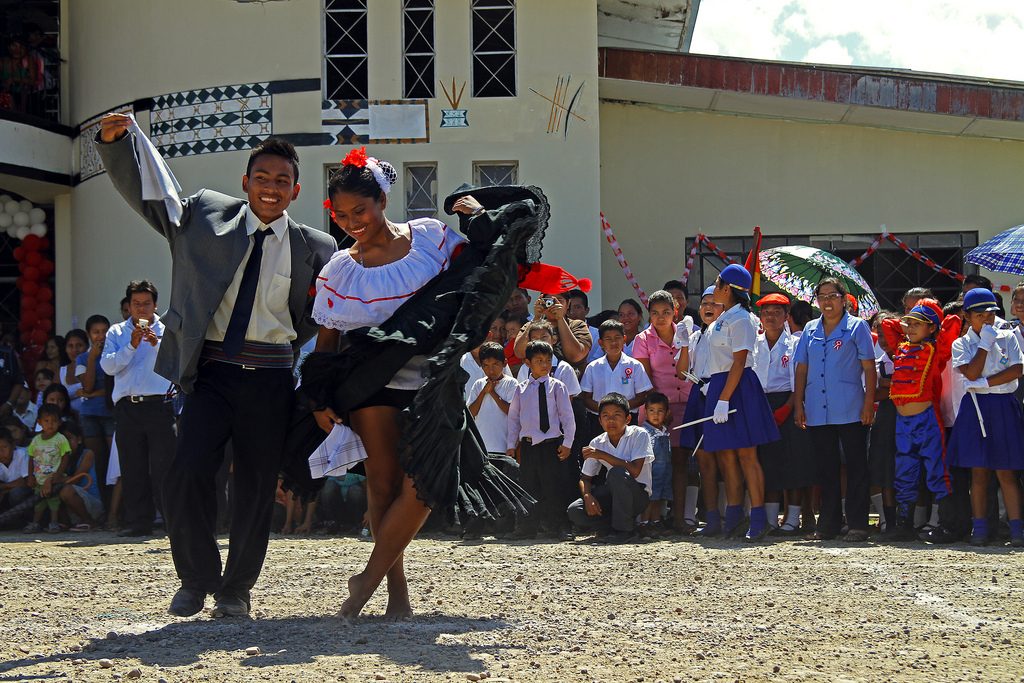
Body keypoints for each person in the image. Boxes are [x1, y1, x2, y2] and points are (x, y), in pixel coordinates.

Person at [98, 113, 337, 618]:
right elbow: (154, 196)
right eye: (262, 178)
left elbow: (319, 317)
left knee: (255, 487)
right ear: (245, 182)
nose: (271, 188)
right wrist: (116, 145)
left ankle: (236, 590)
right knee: (186, 472)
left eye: (282, 181)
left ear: (295, 191)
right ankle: (195, 579)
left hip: (272, 379)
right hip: (210, 375)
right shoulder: (206, 215)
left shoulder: (318, 248)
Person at [300, 152, 552, 618]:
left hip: (434, 379)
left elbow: (479, 264)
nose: (352, 222)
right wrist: (317, 398)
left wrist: (477, 216)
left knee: (427, 483)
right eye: (342, 214)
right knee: (382, 484)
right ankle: (396, 593)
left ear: (382, 200)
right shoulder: (338, 270)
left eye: (361, 210)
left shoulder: (430, 237)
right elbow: (328, 341)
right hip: (369, 384)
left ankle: (366, 578)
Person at [694, 265, 779, 541]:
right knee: (726, 454)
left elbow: (740, 361)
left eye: (718, 283)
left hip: (738, 387)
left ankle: (758, 519)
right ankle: (733, 517)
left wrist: (724, 398)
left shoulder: (741, 318)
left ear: (728, 289)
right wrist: (712, 387)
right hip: (721, 384)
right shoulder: (724, 317)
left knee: (746, 455)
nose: (715, 287)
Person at [794, 277, 877, 542]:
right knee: (826, 468)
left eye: (832, 296)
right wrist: (798, 404)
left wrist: (868, 403)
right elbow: (801, 368)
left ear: (843, 299)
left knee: (856, 467)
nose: (827, 302)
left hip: (851, 407)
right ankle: (828, 524)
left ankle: (858, 523)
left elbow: (869, 368)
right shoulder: (810, 329)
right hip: (817, 409)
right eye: (822, 297)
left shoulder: (857, 327)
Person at [877, 300, 960, 541]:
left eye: (918, 324)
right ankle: (904, 525)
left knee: (936, 470)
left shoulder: (936, 351)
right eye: (909, 323)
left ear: (932, 328)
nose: (911, 328)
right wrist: (912, 319)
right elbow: (888, 324)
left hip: (927, 420)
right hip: (903, 423)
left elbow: (953, 322)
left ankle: (947, 525)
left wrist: (932, 316)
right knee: (904, 472)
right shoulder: (901, 347)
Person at [947, 288, 1024, 547]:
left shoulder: (1008, 336)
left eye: (990, 314)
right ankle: (979, 529)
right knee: (978, 472)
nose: (987, 320)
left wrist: (986, 382)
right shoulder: (961, 343)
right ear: (967, 316)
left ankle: (1017, 530)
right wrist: (984, 344)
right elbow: (970, 373)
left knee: (1006, 472)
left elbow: (1017, 369)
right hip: (976, 406)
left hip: (1003, 404)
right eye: (980, 315)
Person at [101, 280, 178, 537]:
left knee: (164, 467)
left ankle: (171, 522)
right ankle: (138, 522)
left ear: (155, 305)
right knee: (132, 467)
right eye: (136, 304)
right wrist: (131, 345)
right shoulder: (117, 332)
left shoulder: (167, 331)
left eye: (146, 303)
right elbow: (108, 367)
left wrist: (157, 345)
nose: (141, 309)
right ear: (129, 306)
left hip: (160, 406)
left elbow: (177, 365)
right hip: (128, 407)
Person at [631, 289, 694, 534]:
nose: (660, 317)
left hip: (687, 404)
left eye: (666, 312)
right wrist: (659, 413)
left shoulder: (686, 333)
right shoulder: (643, 339)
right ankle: (651, 519)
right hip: (656, 410)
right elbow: (646, 378)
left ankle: (680, 517)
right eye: (655, 312)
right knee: (654, 465)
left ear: (675, 312)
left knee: (680, 462)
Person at [752, 293, 814, 535]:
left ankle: (793, 520)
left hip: (789, 401)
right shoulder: (754, 344)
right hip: (760, 404)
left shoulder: (795, 343)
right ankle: (770, 520)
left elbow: (798, 381)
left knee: (793, 461)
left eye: (777, 313)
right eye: (766, 313)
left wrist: (790, 408)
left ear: (787, 316)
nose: (771, 317)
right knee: (766, 461)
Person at [506, 340, 576, 541]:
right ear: (527, 362)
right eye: (539, 360)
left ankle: (560, 526)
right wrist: (511, 445)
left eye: (548, 360)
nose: (545, 365)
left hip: (551, 444)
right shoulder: (521, 389)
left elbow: (567, 417)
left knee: (554, 486)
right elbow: (514, 419)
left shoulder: (558, 387)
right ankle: (527, 527)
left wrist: (567, 443)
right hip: (529, 446)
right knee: (528, 486)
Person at [567, 392, 655, 543]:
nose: (611, 420)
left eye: (617, 415)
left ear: (628, 419)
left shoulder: (639, 434)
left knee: (617, 473)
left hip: (637, 495)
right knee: (575, 510)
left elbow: (635, 471)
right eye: (605, 416)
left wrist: (601, 455)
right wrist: (587, 496)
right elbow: (585, 478)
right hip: (614, 495)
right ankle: (611, 528)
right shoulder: (597, 442)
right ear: (600, 421)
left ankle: (624, 531)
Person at [676, 285, 725, 535]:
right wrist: (684, 343)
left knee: (728, 458)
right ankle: (712, 517)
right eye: (705, 303)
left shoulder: (728, 333)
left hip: (723, 393)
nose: (708, 307)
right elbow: (682, 373)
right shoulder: (695, 336)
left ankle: (733, 514)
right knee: (703, 459)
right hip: (700, 394)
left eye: (714, 303)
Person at [75, 314, 115, 478]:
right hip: (89, 414)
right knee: (97, 461)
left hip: (111, 412)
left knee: (114, 459)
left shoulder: (115, 356)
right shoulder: (82, 359)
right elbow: (87, 386)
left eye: (104, 331)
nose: (101, 336)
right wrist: (92, 358)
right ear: (89, 334)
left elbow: (114, 388)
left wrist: (91, 393)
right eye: (96, 332)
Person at [23, 404, 71, 533]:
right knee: (38, 504)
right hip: (39, 479)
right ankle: (35, 523)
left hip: (53, 479)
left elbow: (65, 457)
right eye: (46, 421)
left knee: (54, 502)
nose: (50, 424)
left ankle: (54, 523)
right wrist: (30, 476)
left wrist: (58, 475)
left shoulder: (60, 439)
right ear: (39, 422)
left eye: (54, 421)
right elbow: (31, 458)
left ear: (59, 422)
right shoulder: (36, 440)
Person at [513, 292, 592, 369]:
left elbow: (575, 356)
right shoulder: (530, 325)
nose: (554, 305)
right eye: (549, 301)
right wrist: (536, 318)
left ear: (568, 304)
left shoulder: (578, 325)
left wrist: (560, 319)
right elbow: (520, 353)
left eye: (559, 301)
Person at [468, 342, 519, 456]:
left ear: (504, 363)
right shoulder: (478, 384)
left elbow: (512, 412)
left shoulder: (512, 383)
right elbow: (471, 413)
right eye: (486, 365)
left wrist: (492, 392)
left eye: (495, 364)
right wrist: (483, 392)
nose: (491, 370)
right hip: (481, 447)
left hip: (503, 447)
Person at [57, 421, 103, 531]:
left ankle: (89, 521)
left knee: (66, 490)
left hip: (91, 503)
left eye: (69, 438)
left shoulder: (87, 454)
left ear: (79, 439)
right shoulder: (58, 457)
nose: (65, 443)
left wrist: (57, 479)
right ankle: (65, 521)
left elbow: (75, 480)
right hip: (71, 506)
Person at [514, 321, 582, 396]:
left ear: (554, 340)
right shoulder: (525, 368)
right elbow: (520, 395)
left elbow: (568, 400)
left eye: (544, 337)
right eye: (534, 338)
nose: (539, 341)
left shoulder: (564, 368)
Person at [638, 392, 673, 536]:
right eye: (651, 410)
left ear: (667, 413)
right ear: (645, 412)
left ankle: (656, 522)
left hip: (664, 472)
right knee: (650, 499)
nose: (655, 415)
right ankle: (644, 524)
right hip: (651, 473)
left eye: (660, 411)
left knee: (659, 498)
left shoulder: (664, 431)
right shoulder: (644, 432)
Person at [0, 428, 32, 529]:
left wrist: (4, 487)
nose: (1, 452)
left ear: (13, 445)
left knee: (16, 493)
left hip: (29, 495)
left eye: (4, 447)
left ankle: (28, 520)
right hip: (7, 497)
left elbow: (26, 481)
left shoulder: (23, 454)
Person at [566, 288, 603, 364]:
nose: (572, 312)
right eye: (569, 308)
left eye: (577, 307)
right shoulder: (560, 331)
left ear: (587, 310)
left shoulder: (597, 334)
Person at [60, 329, 87, 415]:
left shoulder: (95, 368)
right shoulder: (61, 372)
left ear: (87, 346)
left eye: (79, 345)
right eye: (70, 346)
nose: (75, 350)